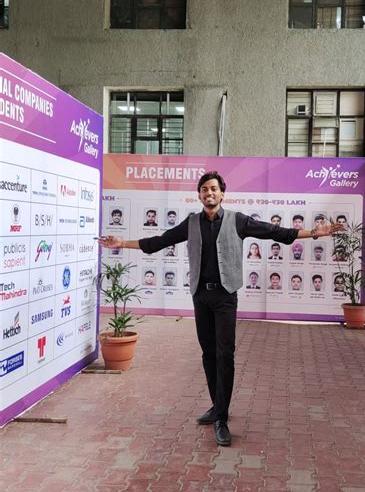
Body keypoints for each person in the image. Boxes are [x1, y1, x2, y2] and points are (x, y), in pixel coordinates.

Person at [99, 170, 343, 447]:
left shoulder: (238, 221)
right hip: (200, 296)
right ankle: (217, 406)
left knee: (225, 355)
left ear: (222, 194)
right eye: (205, 189)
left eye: (214, 188)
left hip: (225, 296)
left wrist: (314, 233)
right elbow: (159, 242)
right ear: (199, 195)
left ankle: (221, 419)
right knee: (208, 353)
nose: (209, 193)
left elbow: (276, 232)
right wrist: (122, 243)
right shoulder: (192, 223)